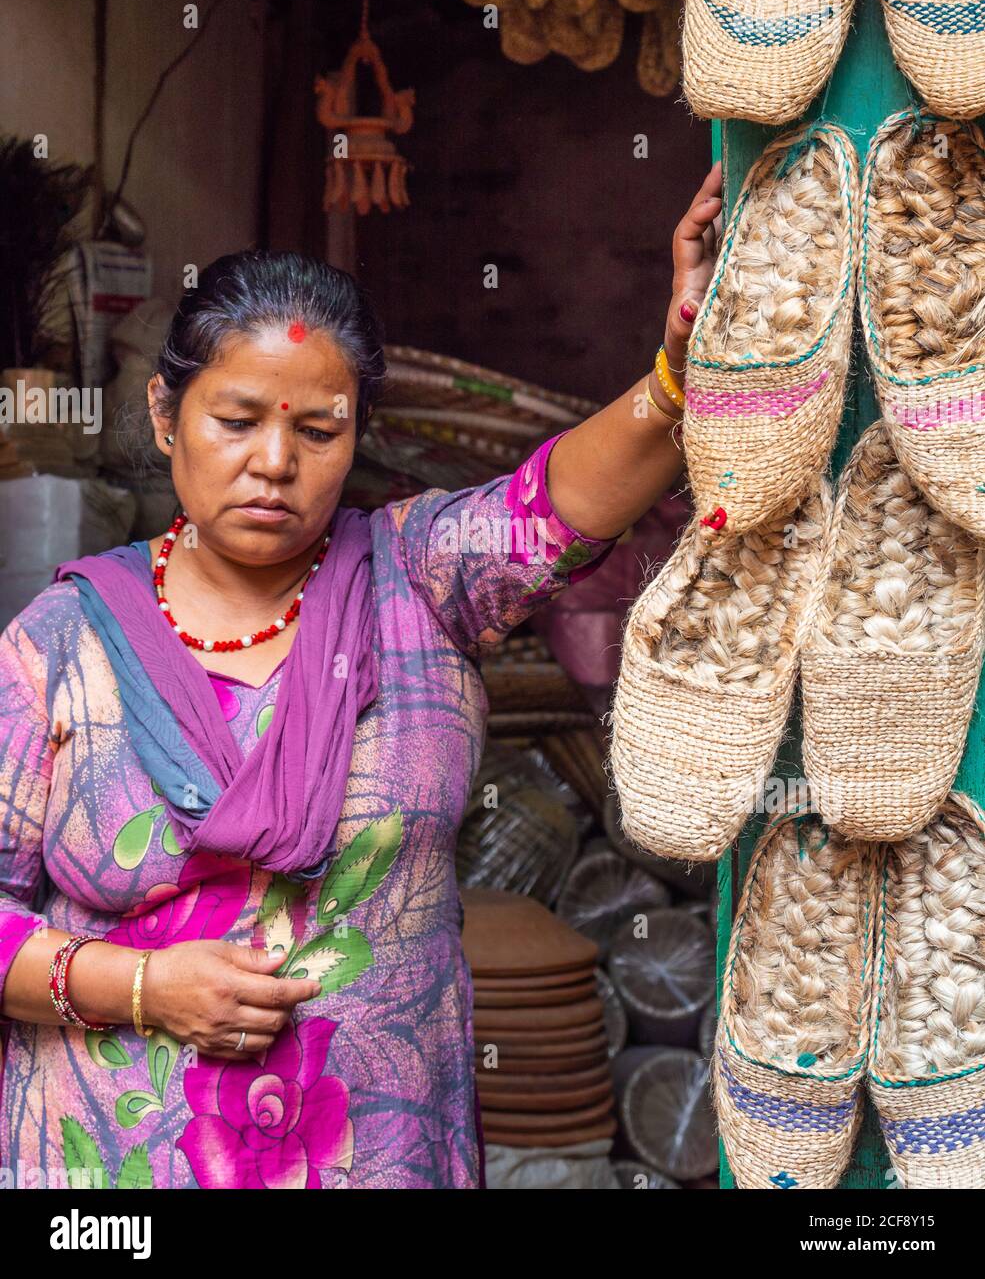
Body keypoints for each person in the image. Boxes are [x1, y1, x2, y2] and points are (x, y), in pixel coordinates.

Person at [0, 165, 722, 1190]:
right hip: (114, 1176)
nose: (274, 462)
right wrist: (144, 985)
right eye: (235, 420)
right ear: (166, 416)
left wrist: (681, 365)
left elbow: (559, 503)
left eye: (318, 430)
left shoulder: (418, 581)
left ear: (356, 435)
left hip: (378, 1157)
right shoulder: (60, 644)